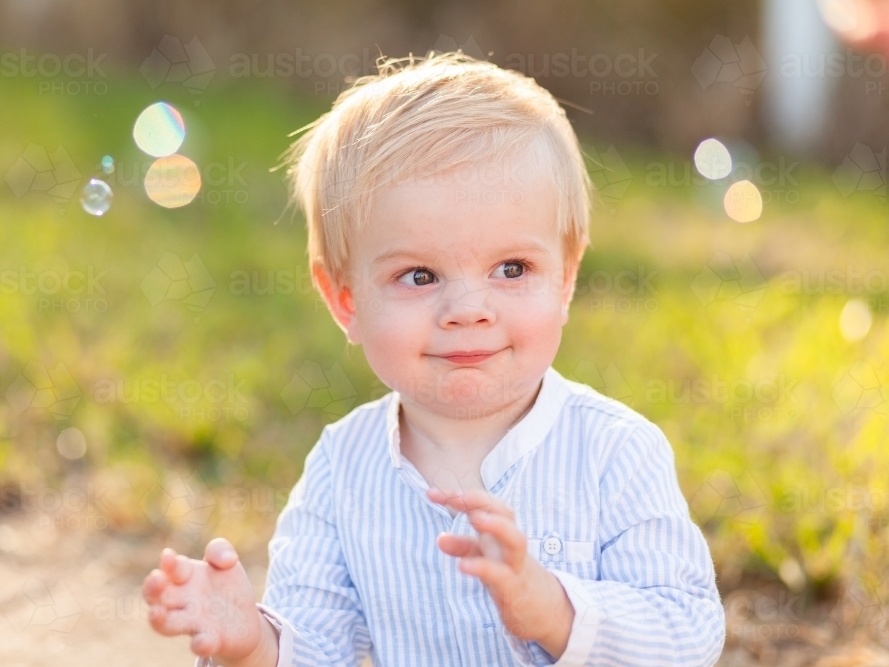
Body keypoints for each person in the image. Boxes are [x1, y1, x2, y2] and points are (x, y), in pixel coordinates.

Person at [143, 50, 727, 666]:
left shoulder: (614, 452)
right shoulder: (343, 471)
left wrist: (555, 610)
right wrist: (252, 644)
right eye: (419, 275)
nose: (467, 308)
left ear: (566, 278)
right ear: (344, 300)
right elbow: (317, 647)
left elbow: (688, 631)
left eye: (511, 268)